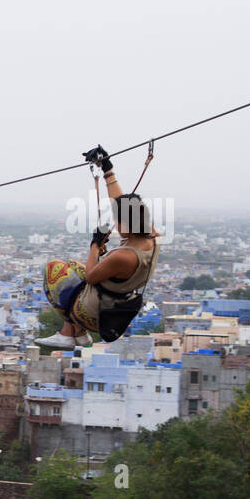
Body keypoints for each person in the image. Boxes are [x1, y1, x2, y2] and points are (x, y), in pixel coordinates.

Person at [36, 145, 161, 349]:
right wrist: (107, 168)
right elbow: (120, 203)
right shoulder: (151, 237)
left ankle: (69, 332)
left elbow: (90, 277)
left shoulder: (126, 256)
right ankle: (78, 333)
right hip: (114, 302)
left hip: (97, 312)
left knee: (55, 271)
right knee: (72, 265)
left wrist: (95, 245)